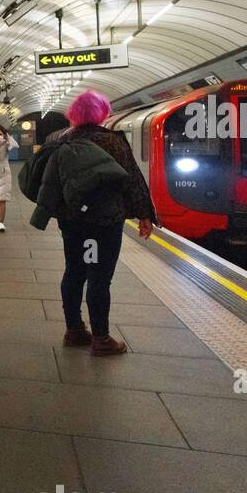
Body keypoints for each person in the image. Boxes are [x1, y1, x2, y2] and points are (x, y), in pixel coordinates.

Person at [19, 90, 157, 356]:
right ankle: (102, 338)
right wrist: (145, 215)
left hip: (72, 221)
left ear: (74, 114)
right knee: (99, 277)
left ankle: (74, 330)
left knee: (74, 271)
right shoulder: (112, 142)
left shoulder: (62, 140)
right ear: (102, 114)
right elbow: (132, 181)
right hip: (105, 222)